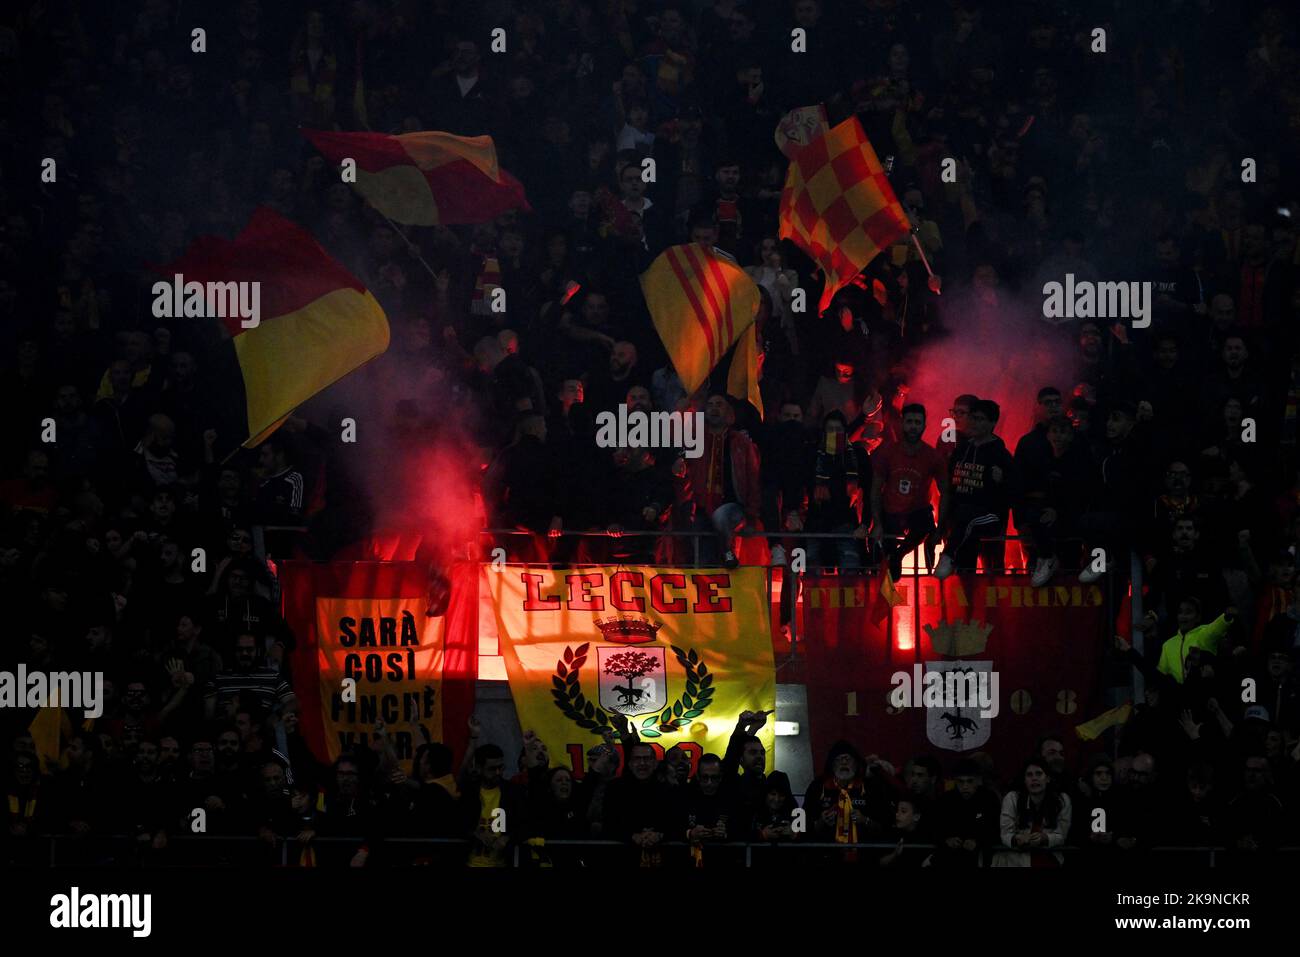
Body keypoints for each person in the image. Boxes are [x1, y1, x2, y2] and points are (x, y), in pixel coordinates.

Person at [937, 399, 1018, 577]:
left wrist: (1002, 481)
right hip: (959, 524)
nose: (974, 423)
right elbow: (951, 485)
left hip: (990, 519)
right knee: (965, 574)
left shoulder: (1001, 455)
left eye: (980, 419)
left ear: (992, 423)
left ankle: (948, 555)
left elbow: (1014, 492)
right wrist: (944, 522)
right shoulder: (961, 450)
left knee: (992, 573)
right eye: (973, 418)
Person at [870, 403, 949, 578]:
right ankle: (891, 563)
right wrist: (877, 523)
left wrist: (940, 529)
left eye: (917, 422)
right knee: (891, 573)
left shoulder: (933, 456)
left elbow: (945, 492)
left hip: (917, 512)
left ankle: (898, 555)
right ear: (902, 423)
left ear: (924, 426)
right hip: (890, 511)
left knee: (926, 525)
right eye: (910, 422)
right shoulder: (887, 452)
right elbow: (875, 488)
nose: (913, 426)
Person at [993, 760, 1072, 867]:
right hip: (1015, 860)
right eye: (1029, 775)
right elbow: (1005, 834)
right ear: (1024, 780)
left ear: (1047, 778)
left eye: (1039, 774)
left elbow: (1062, 835)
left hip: (1049, 858)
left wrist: (1044, 838)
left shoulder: (1061, 800)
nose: (1034, 778)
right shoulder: (1012, 798)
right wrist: (1017, 839)